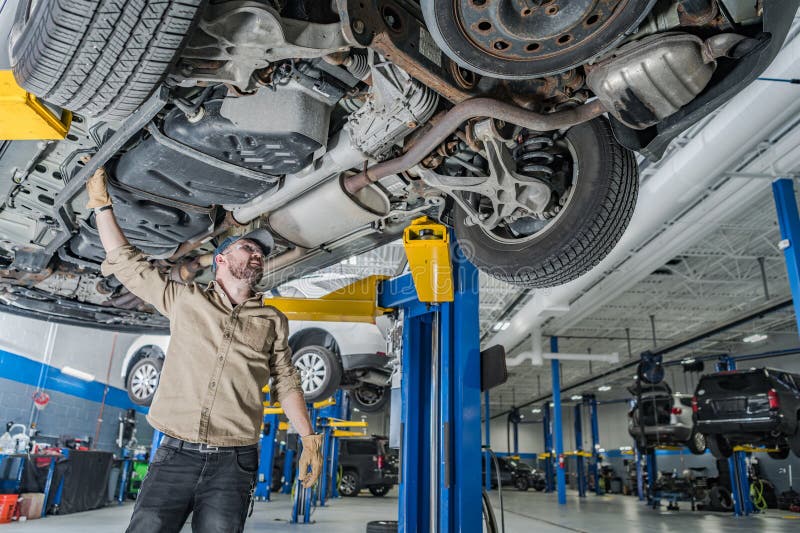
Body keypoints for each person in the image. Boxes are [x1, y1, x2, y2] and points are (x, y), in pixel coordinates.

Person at [84, 159, 323, 532]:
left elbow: (287, 382)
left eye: (260, 252)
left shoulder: (272, 320)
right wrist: (101, 205)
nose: (257, 254)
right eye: (247, 247)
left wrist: (309, 438)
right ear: (222, 259)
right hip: (174, 454)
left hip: (235, 462)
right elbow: (127, 263)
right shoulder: (185, 299)